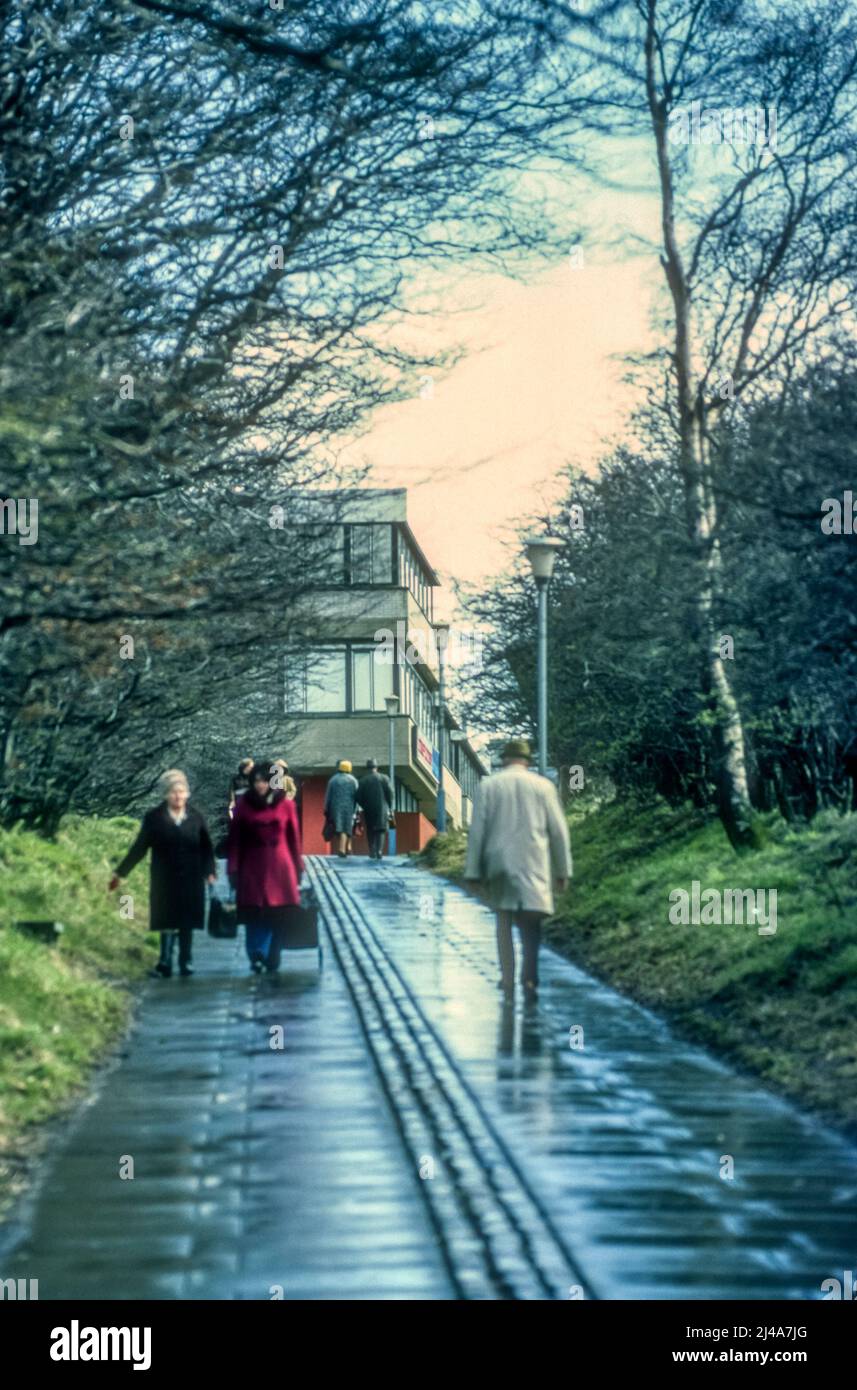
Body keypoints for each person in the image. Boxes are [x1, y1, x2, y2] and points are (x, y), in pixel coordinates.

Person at [464, 738, 572, 997]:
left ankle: (508, 976)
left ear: (504, 759)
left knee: (504, 920)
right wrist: (563, 870)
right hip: (535, 862)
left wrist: (473, 871)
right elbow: (558, 832)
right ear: (528, 761)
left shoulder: (488, 786)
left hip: (499, 862)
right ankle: (530, 975)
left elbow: (477, 832)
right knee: (531, 922)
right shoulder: (544, 787)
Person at [109, 769, 216, 979]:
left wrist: (209, 871)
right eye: (173, 792)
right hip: (164, 876)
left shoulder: (195, 817)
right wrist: (121, 873)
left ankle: (186, 960)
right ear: (165, 795)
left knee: (187, 919)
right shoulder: (154, 818)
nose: (177, 796)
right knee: (167, 918)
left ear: (187, 793)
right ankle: (164, 961)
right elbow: (139, 847)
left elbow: (207, 847)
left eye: (181, 791)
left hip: (191, 876)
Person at [228, 759, 303, 973]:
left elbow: (293, 840)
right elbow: (235, 841)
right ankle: (256, 953)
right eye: (256, 781)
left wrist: (299, 868)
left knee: (279, 914)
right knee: (255, 912)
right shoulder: (244, 806)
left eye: (264, 781)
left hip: (280, 867)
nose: (260, 785)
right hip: (252, 867)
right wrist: (233, 869)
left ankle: (274, 953)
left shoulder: (286, 805)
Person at [356, 758, 394, 860]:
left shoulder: (363, 780)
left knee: (370, 829)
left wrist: (364, 805)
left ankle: (372, 850)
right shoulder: (384, 778)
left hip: (368, 808)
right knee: (381, 829)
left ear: (367, 768)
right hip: (382, 807)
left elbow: (358, 797)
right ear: (376, 767)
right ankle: (379, 850)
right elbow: (390, 794)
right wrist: (390, 806)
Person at [324, 759, 359, 859]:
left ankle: (344, 848)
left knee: (339, 827)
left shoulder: (333, 780)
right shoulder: (353, 780)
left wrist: (326, 808)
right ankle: (343, 849)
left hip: (335, 807)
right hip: (349, 807)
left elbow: (328, 795)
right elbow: (357, 795)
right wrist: (356, 809)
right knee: (346, 828)